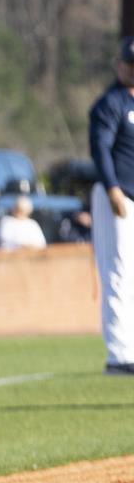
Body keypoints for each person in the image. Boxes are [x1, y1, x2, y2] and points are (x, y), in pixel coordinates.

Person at [89, 36, 134, 375]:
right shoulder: (111, 103)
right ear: (119, 66)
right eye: (127, 63)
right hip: (117, 198)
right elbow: (101, 149)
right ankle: (119, 355)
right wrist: (112, 189)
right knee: (116, 272)